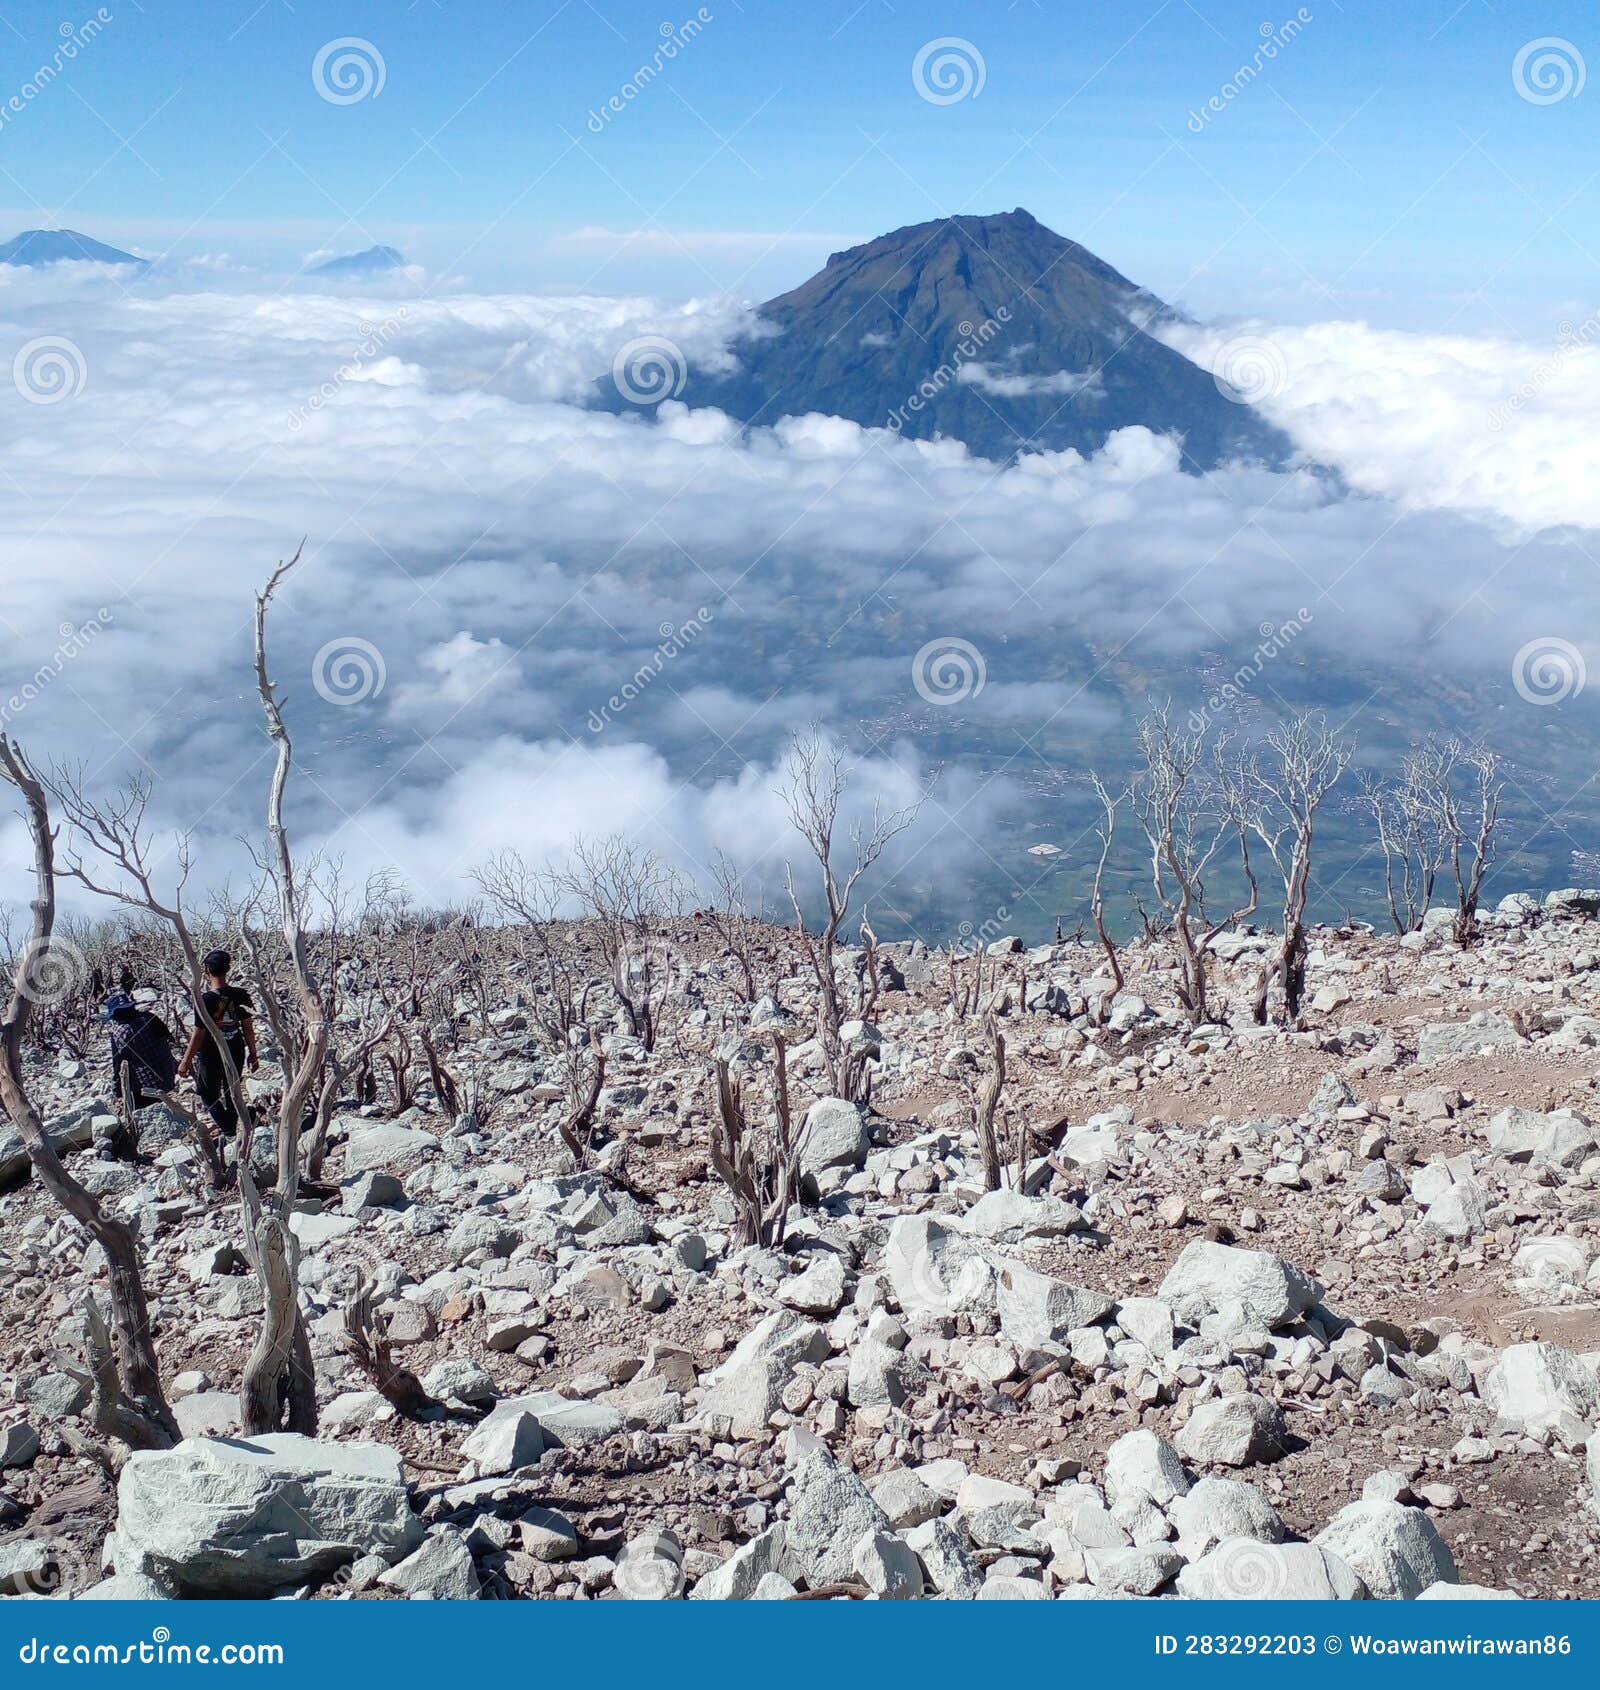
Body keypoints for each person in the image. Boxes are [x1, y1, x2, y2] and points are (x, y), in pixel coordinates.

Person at [176, 950, 257, 1136]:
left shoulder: (204, 1000)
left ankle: (228, 1129)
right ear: (228, 969)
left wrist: (186, 1061)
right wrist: (253, 1053)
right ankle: (235, 1127)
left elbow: (199, 1033)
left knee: (207, 1093)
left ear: (206, 971)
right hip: (236, 1047)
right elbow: (248, 1027)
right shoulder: (241, 995)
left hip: (211, 1052)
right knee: (232, 1091)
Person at [104, 990, 178, 1112]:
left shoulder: (119, 1033)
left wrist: (117, 1091)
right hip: (168, 1076)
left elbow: (118, 1064)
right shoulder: (150, 1017)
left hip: (146, 1087)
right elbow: (170, 1038)